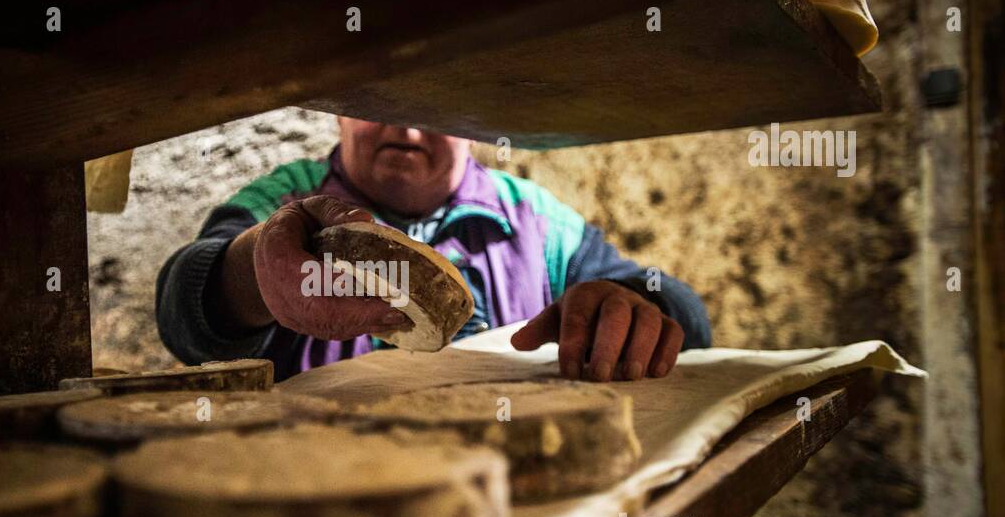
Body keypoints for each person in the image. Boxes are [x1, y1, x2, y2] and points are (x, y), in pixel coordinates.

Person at [157, 118, 711, 381]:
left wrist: (635, 301)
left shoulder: (535, 222)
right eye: (378, 97)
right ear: (341, 109)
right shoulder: (286, 200)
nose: (407, 127)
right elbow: (181, 309)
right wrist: (254, 271)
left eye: (434, 110)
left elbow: (687, 313)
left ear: (475, 120)